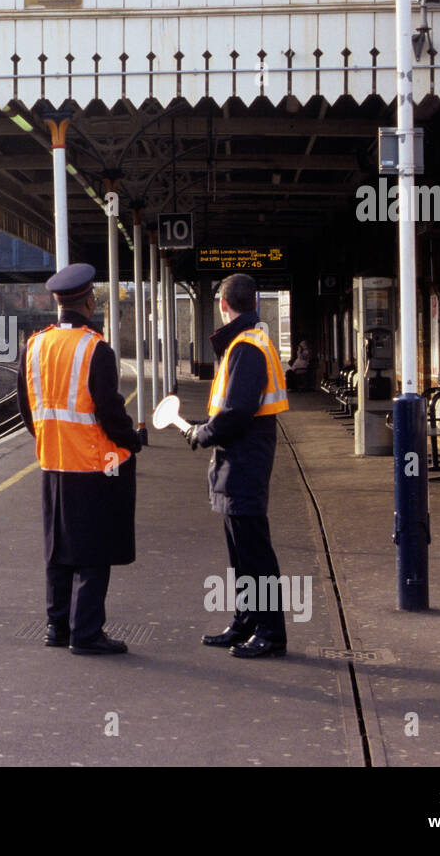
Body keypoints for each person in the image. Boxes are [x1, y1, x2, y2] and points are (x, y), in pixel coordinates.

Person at [17, 263, 141, 656]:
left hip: (52, 463)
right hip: (92, 466)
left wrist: (49, 440)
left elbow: (25, 409)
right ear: (89, 301)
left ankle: (57, 628)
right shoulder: (95, 348)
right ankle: (86, 633)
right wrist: (133, 440)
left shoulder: (34, 346)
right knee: (93, 550)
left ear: (58, 303)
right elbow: (109, 410)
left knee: (57, 548)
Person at [184, 273, 290, 659]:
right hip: (239, 458)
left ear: (223, 305)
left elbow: (239, 410)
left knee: (254, 551)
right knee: (240, 550)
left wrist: (204, 434)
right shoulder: (248, 342)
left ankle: (270, 631)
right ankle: (246, 620)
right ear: (255, 304)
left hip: (245, 458)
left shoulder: (246, 347)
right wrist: (208, 432)